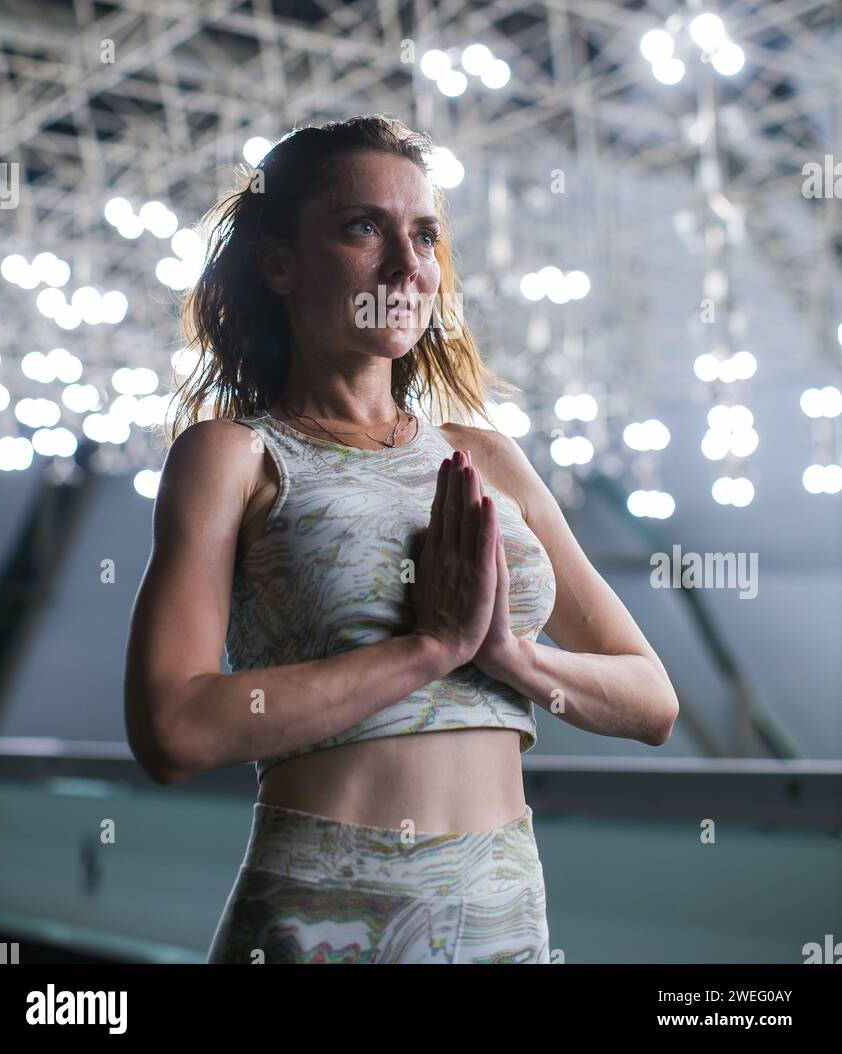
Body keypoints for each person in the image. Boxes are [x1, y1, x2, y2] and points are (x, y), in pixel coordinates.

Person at [124, 113, 679, 964]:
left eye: (423, 235)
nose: (406, 264)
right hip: (327, 920)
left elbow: (651, 702)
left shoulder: (485, 455)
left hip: (507, 919)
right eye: (362, 227)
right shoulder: (233, 456)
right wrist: (429, 649)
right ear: (279, 262)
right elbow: (174, 728)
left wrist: (509, 656)